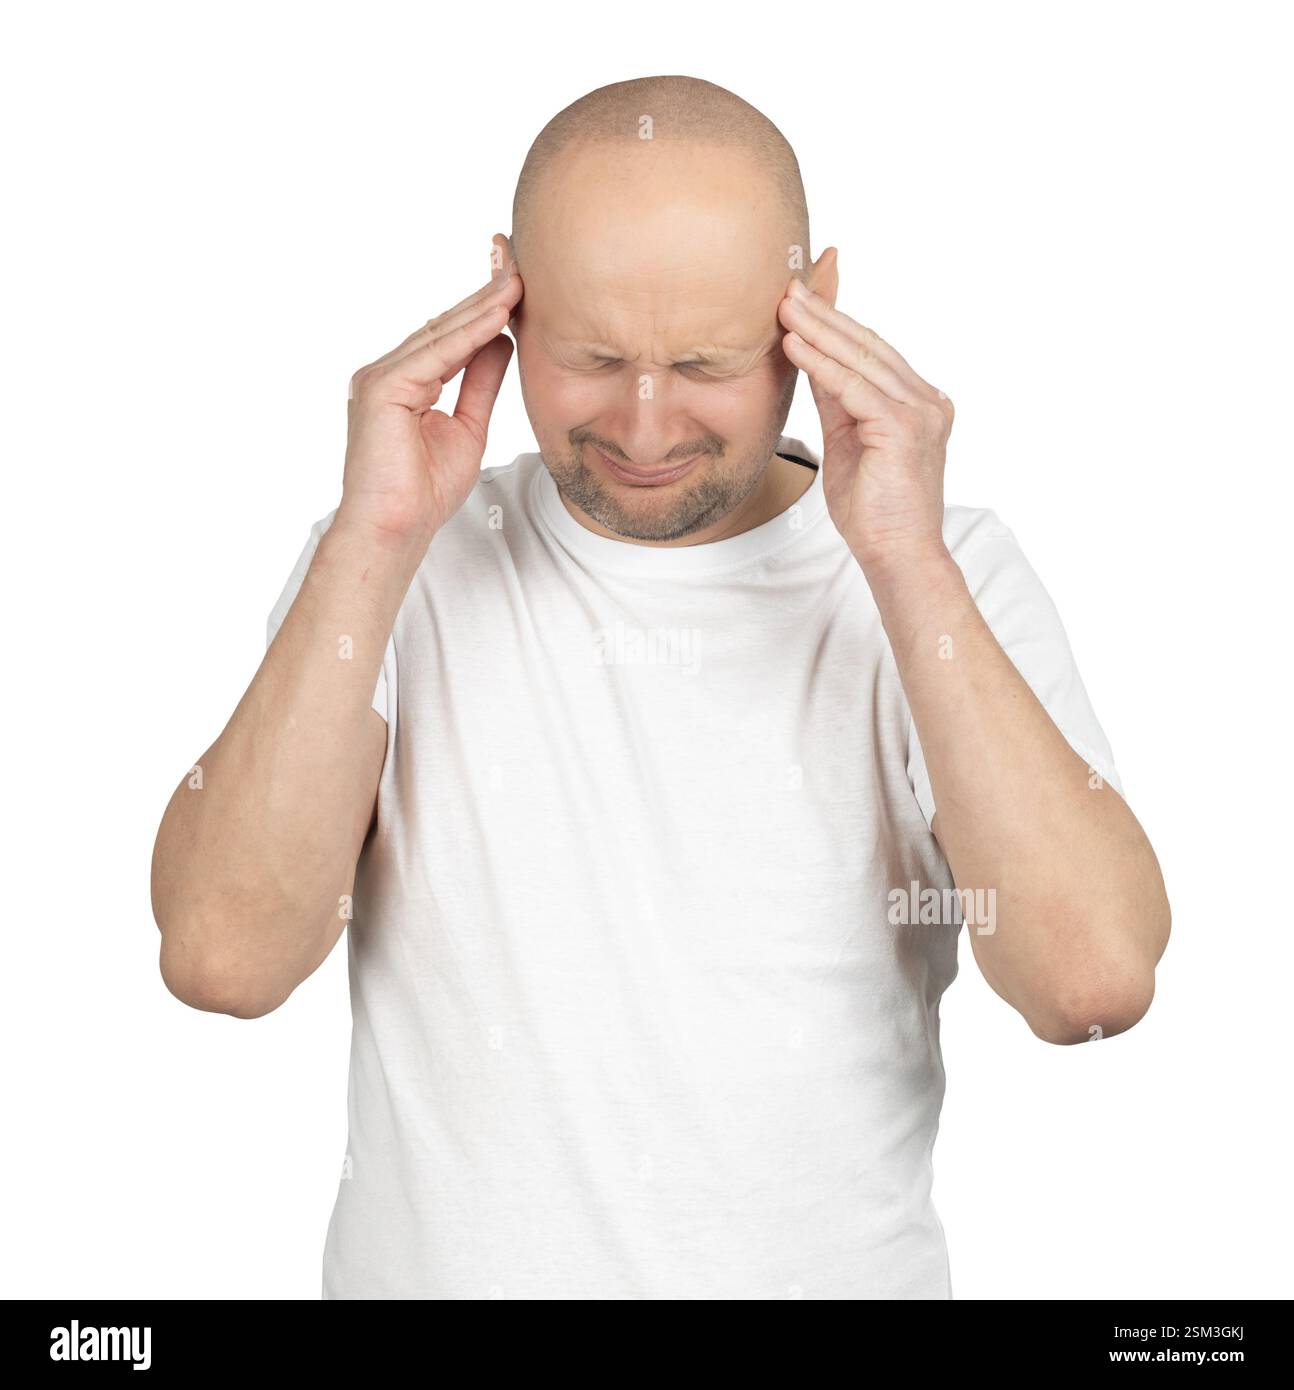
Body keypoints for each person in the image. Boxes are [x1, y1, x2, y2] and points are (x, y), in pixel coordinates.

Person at [150, 75, 1171, 1300]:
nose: (642, 425)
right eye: (590, 355)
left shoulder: (946, 573)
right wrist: (369, 544)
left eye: (704, 361)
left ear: (815, 310)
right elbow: (221, 958)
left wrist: (902, 556)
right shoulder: (396, 559)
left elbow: (1091, 985)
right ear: (504, 296)